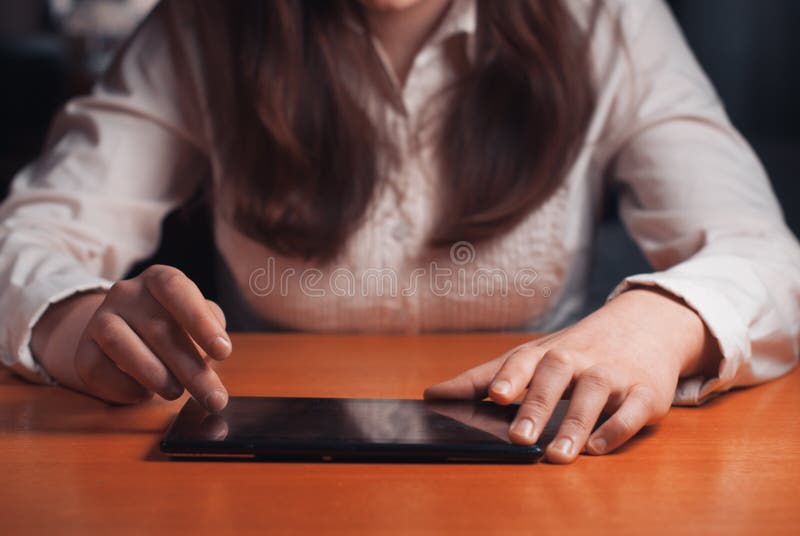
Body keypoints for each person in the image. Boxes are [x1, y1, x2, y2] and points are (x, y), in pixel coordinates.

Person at [1, 0, 798, 464]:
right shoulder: (204, 25)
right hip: (272, 488)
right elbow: (31, 235)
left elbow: (768, 255)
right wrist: (69, 319)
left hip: (548, 481)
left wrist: (662, 323)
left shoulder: (609, 18)